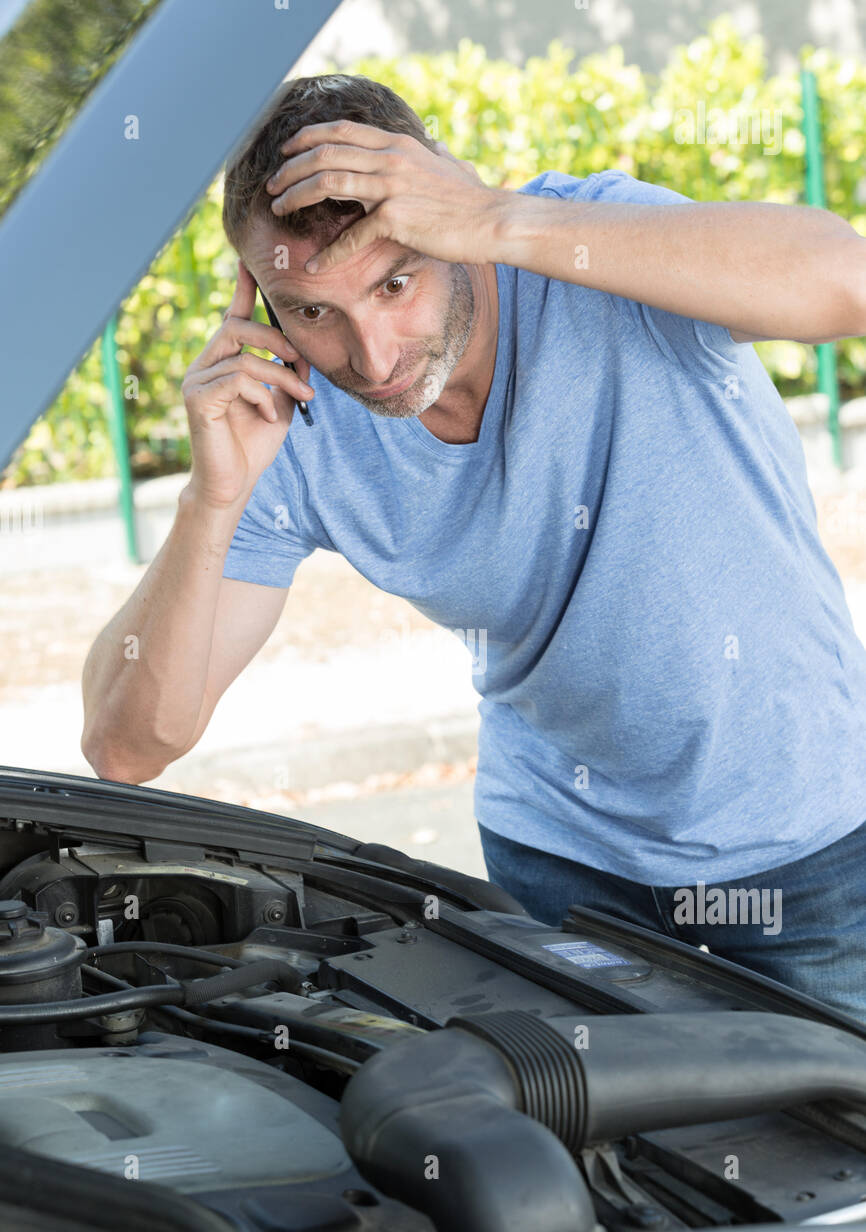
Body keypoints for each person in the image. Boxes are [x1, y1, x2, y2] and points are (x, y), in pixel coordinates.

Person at [81, 73, 866, 1021]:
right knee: (599, 1167)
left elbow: (847, 281)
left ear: (446, 216)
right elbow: (128, 745)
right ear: (257, 299)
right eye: (311, 310)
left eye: (395, 281)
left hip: (804, 850)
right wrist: (213, 501)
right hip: (559, 863)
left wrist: (497, 218)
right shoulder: (285, 424)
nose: (372, 359)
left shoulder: (583, 244)